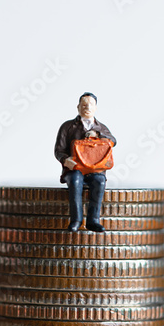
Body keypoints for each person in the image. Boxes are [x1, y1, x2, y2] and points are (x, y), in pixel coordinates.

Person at [54, 92, 117, 232]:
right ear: (78, 107)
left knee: (100, 181)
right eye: (84, 105)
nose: (87, 107)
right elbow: (59, 150)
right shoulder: (67, 127)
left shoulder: (101, 128)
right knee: (75, 181)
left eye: (90, 105)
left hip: (95, 168)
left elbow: (113, 141)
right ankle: (76, 220)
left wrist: (98, 135)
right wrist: (65, 160)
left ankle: (93, 220)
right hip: (75, 168)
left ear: (95, 108)